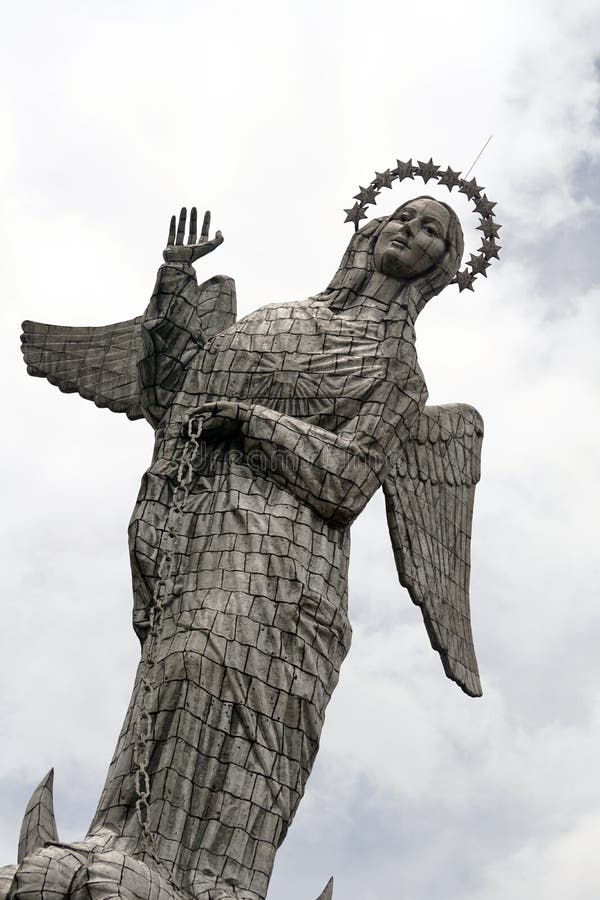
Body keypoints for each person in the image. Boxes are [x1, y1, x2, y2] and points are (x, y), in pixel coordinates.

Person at [9, 197, 465, 900]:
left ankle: (213, 874)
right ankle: (122, 837)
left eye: (432, 229)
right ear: (373, 229)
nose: (411, 230)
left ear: (441, 266)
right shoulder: (279, 321)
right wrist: (173, 289)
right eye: (405, 217)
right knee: (174, 669)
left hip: (293, 556)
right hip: (208, 524)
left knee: (237, 691)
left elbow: (347, 481)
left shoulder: (400, 377)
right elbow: (179, 397)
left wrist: (253, 424)